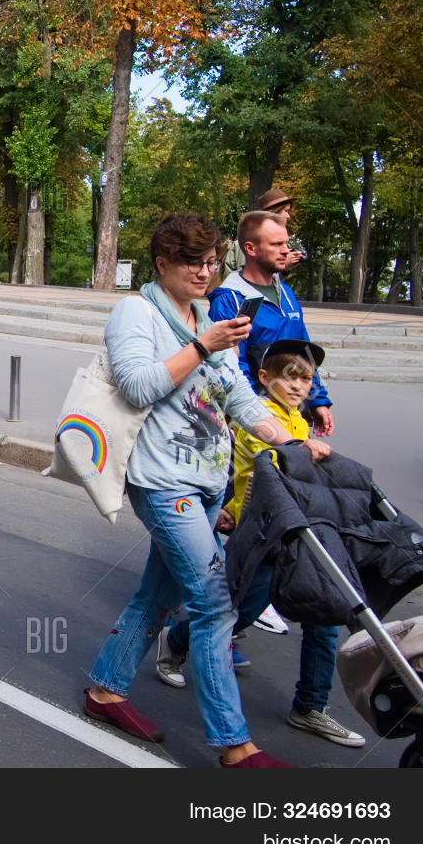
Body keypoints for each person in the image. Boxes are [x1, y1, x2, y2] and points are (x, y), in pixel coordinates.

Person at [82, 213, 299, 767]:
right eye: (192, 263)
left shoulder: (207, 314)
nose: (205, 273)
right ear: (162, 264)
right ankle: (234, 744)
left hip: (205, 482)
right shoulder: (138, 311)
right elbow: (137, 386)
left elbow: (241, 399)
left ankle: (105, 690)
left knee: (157, 595)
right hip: (161, 481)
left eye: (211, 262)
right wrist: (203, 346)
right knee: (213, 603)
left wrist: (290, 440)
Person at [154, 338, 366, 748]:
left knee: (325, 616)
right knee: (238, 611)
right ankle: (176, 639)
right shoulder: (260, 417)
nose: (299, 386)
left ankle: (310, 706)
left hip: (299, 531)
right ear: (265, 378)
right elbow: (272, 453)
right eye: (291, 376)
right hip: (259, 532)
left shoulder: (298, 421)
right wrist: (307, 452)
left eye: (307, 379)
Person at [210, 211, 332, 438]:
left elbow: (304, 352)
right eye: (276, 244)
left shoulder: (286, 293)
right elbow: (232, 367)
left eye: (286, 243)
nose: (286, 250)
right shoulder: (230, 299)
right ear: (250, 249)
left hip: (292, 415)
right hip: (253, 424)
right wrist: (257, 414)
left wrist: (318, 401)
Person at [222, 188, 305, 277]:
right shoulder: (248, 243)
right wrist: (283, 265)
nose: (288, 216)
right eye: (286, 211)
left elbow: (271, 284)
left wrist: (284, 267)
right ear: (274, 212)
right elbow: (249, 281)